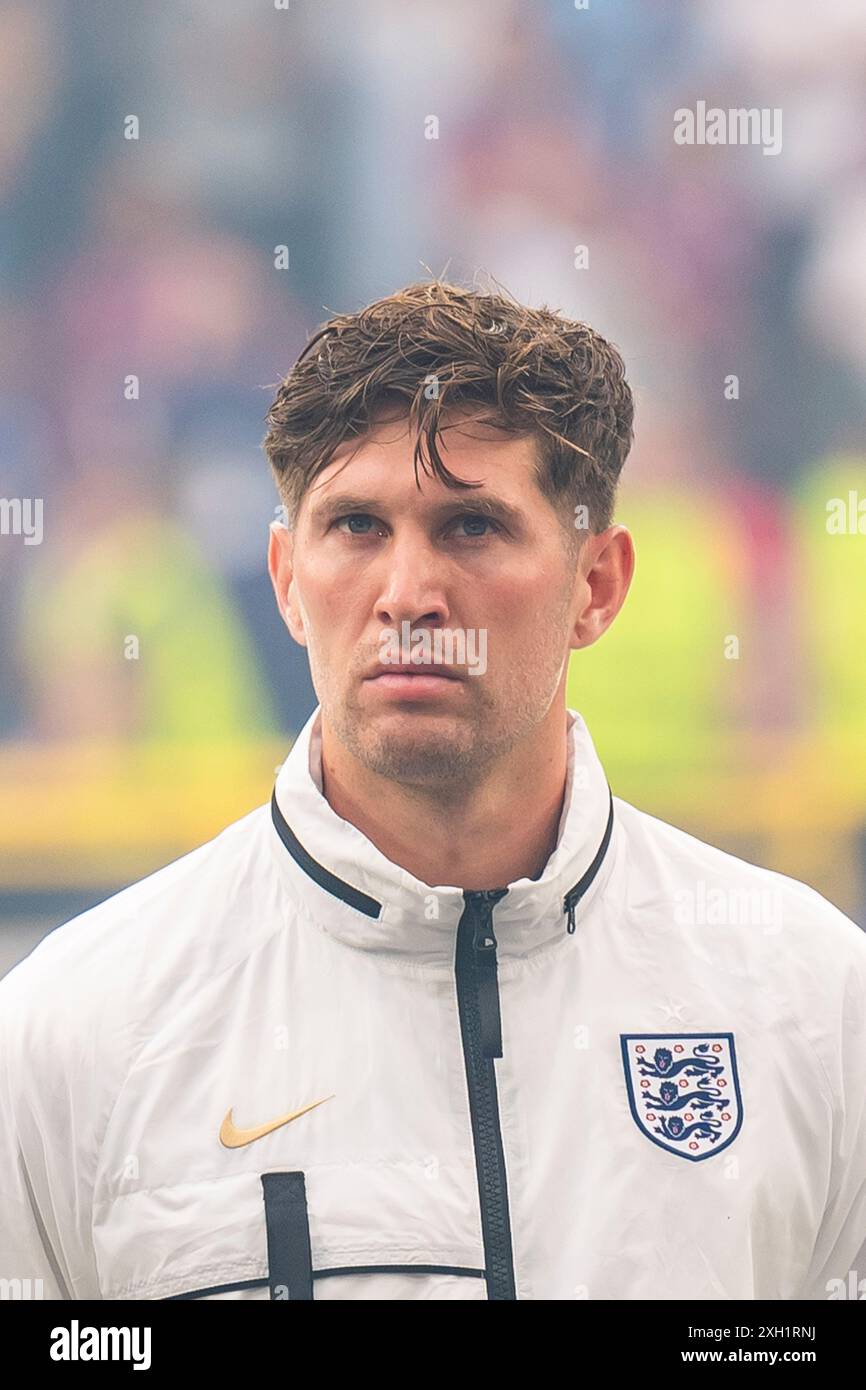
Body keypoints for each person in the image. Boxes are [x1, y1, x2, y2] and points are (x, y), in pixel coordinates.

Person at [1, 280, 864, 1301]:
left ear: (595, 584)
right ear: (286, 580)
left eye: (470, 527)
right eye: (357, 526)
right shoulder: (68, 1033)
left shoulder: (815, 1003)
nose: (407, 594)